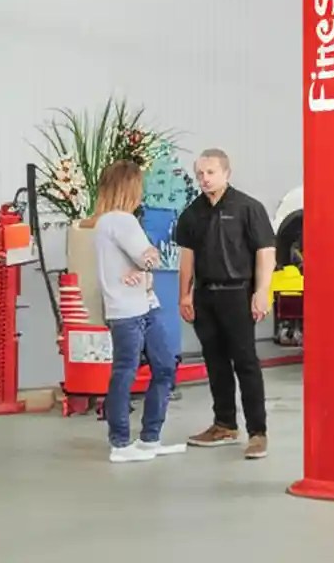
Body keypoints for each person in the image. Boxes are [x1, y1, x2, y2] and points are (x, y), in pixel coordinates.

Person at [174, 149, 277, 459]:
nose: (204, 179)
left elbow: (265, 251)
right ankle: (224, 425)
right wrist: (185, 294)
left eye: (210, 173)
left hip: (238, 294)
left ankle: (257, 433)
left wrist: (261, 292)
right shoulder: (192, 213)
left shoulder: (248, 208)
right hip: (206, 296)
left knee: (245, 363)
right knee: (215, 362)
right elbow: (187, 258)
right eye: (200, 174)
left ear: (226, 173)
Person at [90, 160, 185, 464]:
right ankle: (123, 442)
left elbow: (144, 263)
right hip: (131, 310)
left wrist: (141, 268)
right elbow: (151, 259)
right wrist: (145, 265)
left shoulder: (105, 222)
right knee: (138, 371)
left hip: (140, 305)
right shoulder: (120, 220)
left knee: (153, 368)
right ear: (128, 187)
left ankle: (145, 440)